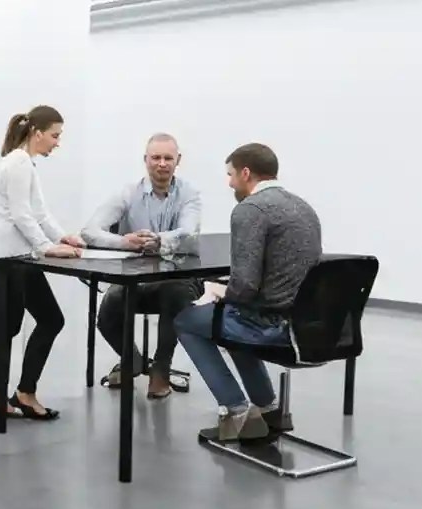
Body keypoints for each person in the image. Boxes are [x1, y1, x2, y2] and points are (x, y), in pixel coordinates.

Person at [173, 143, 322, 442]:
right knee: (231, 318)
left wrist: (217, 290)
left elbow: (244, 287)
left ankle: (237, 412)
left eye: (230, 175)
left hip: (274, 328)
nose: (229, 183)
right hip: (313, 329)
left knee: (186, 321)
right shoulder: (304, 207)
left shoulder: (250, 209)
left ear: (245, 173)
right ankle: (269, 410)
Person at [81, 133, 202, 400]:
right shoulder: (127, 192)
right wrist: (125, 242)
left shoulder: (190, 194)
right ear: (145, 160)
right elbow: (89, 231)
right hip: (134, 278)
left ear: (177, 160)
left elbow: (190, 234)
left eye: (168, 158)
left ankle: (161, 368)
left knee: (176, 295)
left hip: (177, 278)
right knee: (108, 311)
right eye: (155, 157)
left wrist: (159, 241)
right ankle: (132, 359)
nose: (161, 163)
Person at [0, 105, 85, 421]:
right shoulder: (17, 164)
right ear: (36, 132)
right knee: (11, 326)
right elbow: (20, 214)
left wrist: (63, 238)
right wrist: (47, 248)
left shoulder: (24, 164)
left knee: (32, 322)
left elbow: (39, 213)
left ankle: (15, 394)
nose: (57, 142)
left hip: (19, 256)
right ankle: (6, 395)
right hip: (11, 256)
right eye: (55, 136)